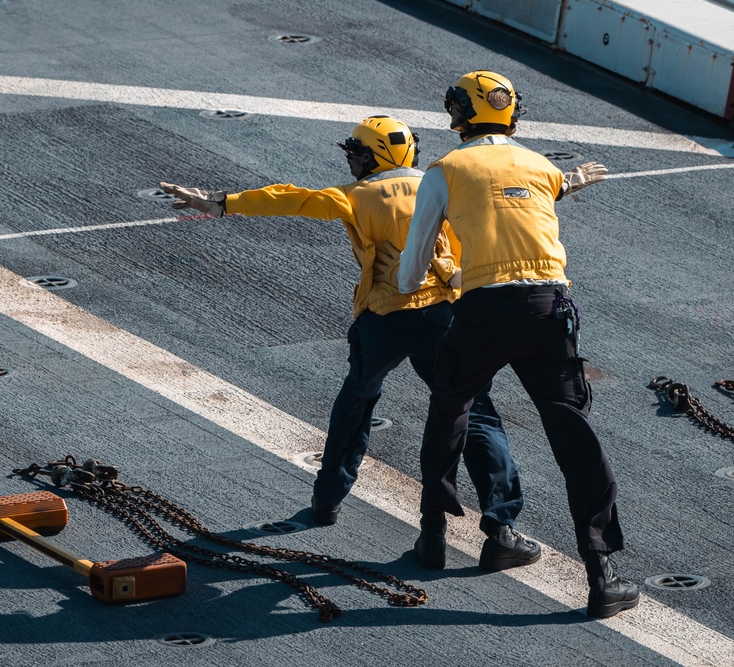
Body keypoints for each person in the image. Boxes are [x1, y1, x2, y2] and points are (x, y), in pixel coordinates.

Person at [159, 115, 540, 572]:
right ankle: (499, 530)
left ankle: (327, 500)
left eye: (356, 154)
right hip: (442, 315)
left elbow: (293, 199)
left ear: (373, 157)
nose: (352, 161)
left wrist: (223, 202)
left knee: (358, 399)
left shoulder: (356, 195)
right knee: (473, 412)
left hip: (382, 318)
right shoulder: (446, 181)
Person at [396, 70, 639, 619]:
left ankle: (432, 539)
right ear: (512, 113)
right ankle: (602, 577)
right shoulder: (539, 165)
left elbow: (413, 269)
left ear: (457, 113)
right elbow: (540, 192)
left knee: (450, 413)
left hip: (482, 312)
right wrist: (569, 180)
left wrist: (436, 280)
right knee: (575, 436)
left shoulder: (444, 170)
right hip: (547, 311)